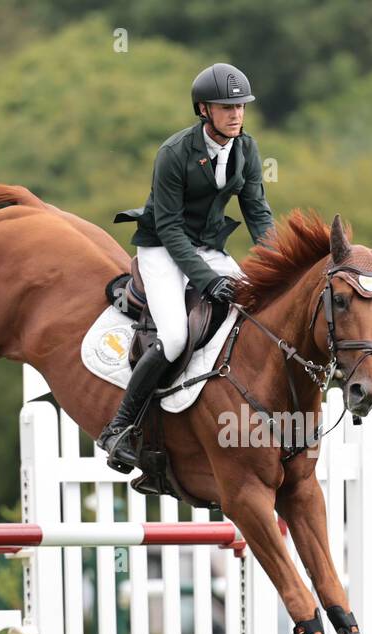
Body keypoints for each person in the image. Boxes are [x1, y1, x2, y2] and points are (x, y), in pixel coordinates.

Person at [101, 62, 276, 472]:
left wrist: (280, 265)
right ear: (203, 110)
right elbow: (170, 227)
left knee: (255, 311)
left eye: (241, 107)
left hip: (209, 245)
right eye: (226, 107)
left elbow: (258, 214)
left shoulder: (246, 150)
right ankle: (119, 427)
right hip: (163, 247)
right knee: (176, 336)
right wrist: (206, 279)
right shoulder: (174, 153)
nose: (236, 114)